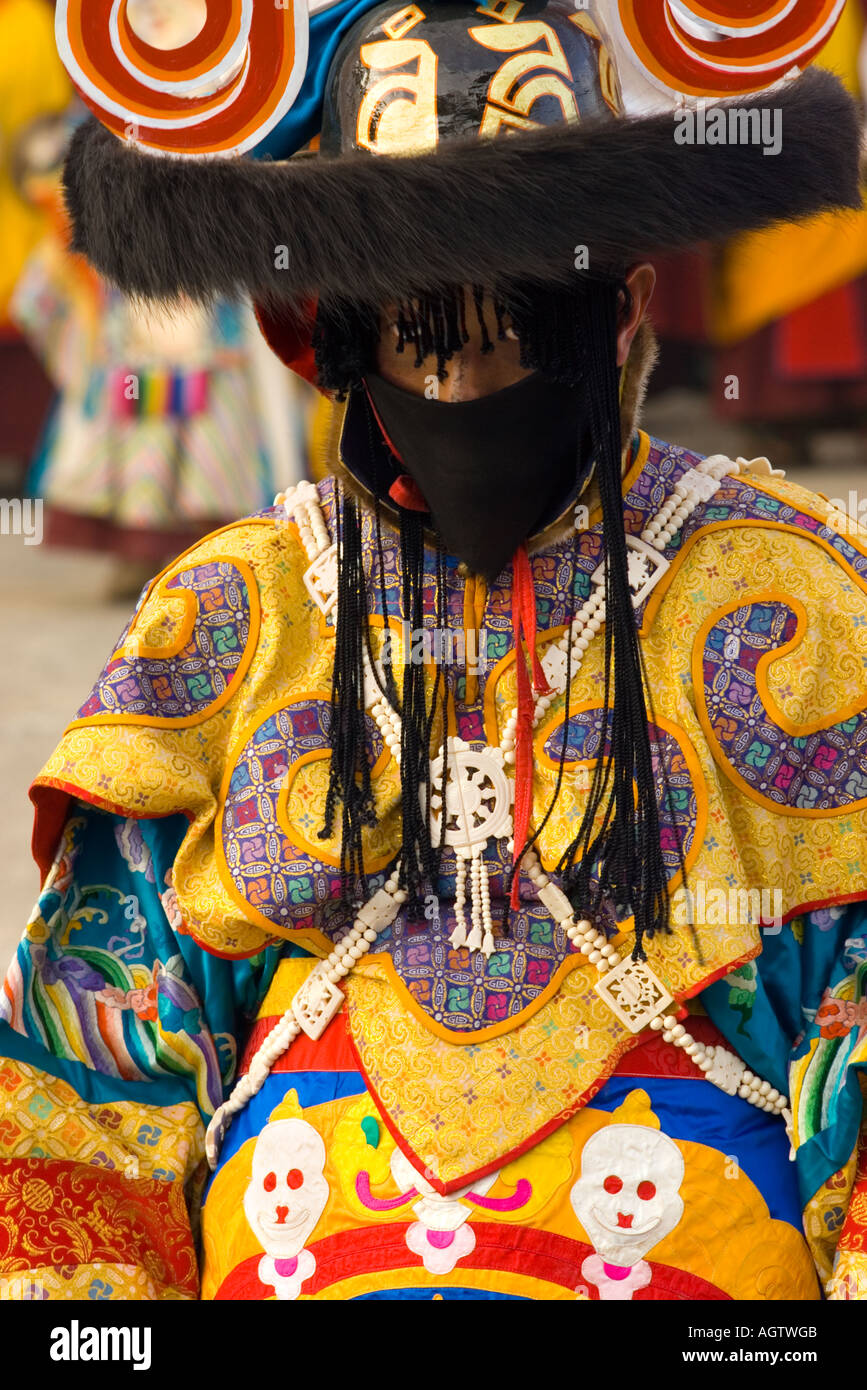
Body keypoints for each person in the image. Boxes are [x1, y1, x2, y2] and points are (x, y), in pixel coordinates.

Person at [3, 0, 867, 1301]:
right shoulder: (237, 611)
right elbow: (79, 1127)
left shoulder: (790, 589)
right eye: (418, 333)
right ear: (331, 333)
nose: (462, 388)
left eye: (520, 326)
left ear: (622, 313)